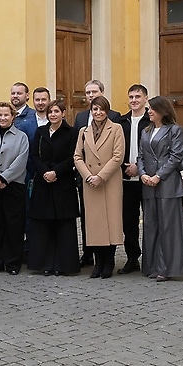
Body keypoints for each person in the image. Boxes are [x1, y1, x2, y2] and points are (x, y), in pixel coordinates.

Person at [137, 95, 183, 281]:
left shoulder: (174, 130)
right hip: (148, 184)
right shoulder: (145, 131)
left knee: (168, 227)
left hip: (167, 183)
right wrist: (143, 174)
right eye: (148, 108)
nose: (149, 111)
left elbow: (176, 156)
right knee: (151, 226)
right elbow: (140, 156)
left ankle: (167, 267)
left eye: (152, 108)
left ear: (163, 110)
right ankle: (152, 265)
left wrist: (158, 175)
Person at [72, 79, 122, 268]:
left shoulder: (116, 125)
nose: (98, 112)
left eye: (101, 109)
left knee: (110, 222)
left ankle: (108, 262)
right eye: (95, 110)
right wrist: (87, 176)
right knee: (92, 222)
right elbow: (77, 155)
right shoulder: (83, 128)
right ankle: (94, 260)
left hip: (108, 180)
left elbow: (118, 156)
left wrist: (101, 176)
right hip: (89, 181)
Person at [28, 100, 79, 276]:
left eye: (57, 111)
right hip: (44, 184)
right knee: (44, 226)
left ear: (63, 113)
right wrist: (44, 172)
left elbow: (73, 157)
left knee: (63, 227)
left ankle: (63, 265)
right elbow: (34, 155)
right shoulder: (40, 132)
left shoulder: (72, 132)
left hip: (63, 184)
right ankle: (45, 264)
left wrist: (56, 172)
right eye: (50, 112)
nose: (53, 115)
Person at [0, 101, 30, 275]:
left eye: (6, 115)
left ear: (13, 116)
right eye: (0, 115)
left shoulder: (21, 137)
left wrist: (4, 178)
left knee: (13, 226)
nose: (2, 118)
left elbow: (21, 160)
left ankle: (12, 263)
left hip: (13, 185)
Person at [117, 84, 151, 274]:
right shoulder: (121, 121)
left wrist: (140, 168)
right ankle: (132, 257)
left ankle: (151, 256)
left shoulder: (151, 120)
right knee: (128, 220)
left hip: (146, 178)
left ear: (146, 99)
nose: (134, 100)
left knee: (150, 219)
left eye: (138, 96)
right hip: (125, 179)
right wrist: (125, 168)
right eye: (131, 96)